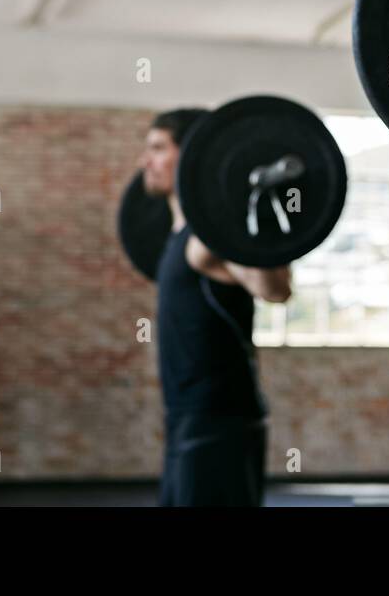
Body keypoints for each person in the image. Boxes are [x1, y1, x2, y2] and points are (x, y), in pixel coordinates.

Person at [138, 108, 292, 506]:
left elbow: (274, 288)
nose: (145, 162)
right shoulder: (178, 237)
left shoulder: (207, 242)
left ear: (189, 155)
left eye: (157, 149)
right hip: (185, 418)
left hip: (219, 422)